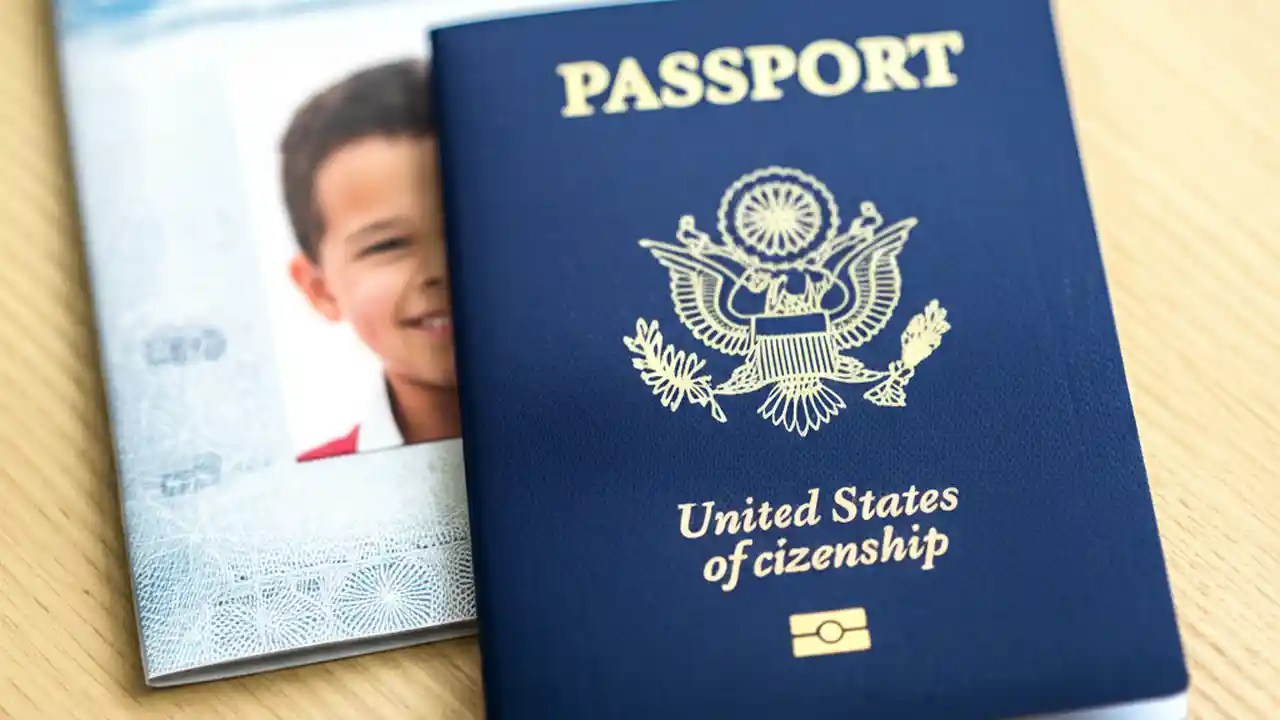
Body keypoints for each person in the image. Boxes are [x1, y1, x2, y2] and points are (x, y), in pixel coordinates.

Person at [280, 59, 460, 462]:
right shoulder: (299, 497)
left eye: (470, 226)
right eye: (388, 245)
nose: (443, 270)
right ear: (320, 289)